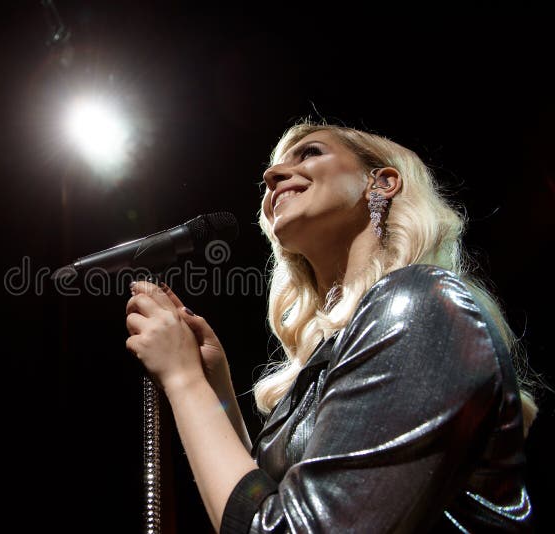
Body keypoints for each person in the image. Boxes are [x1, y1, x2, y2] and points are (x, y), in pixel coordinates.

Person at [124, 121, 538, 533]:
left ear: (382, 182)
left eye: (310, 152)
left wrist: (183, 380)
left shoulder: (416, 302)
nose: (270, 176)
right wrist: (215, 389)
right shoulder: (343, 348)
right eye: (272, 170)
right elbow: (268, 505)